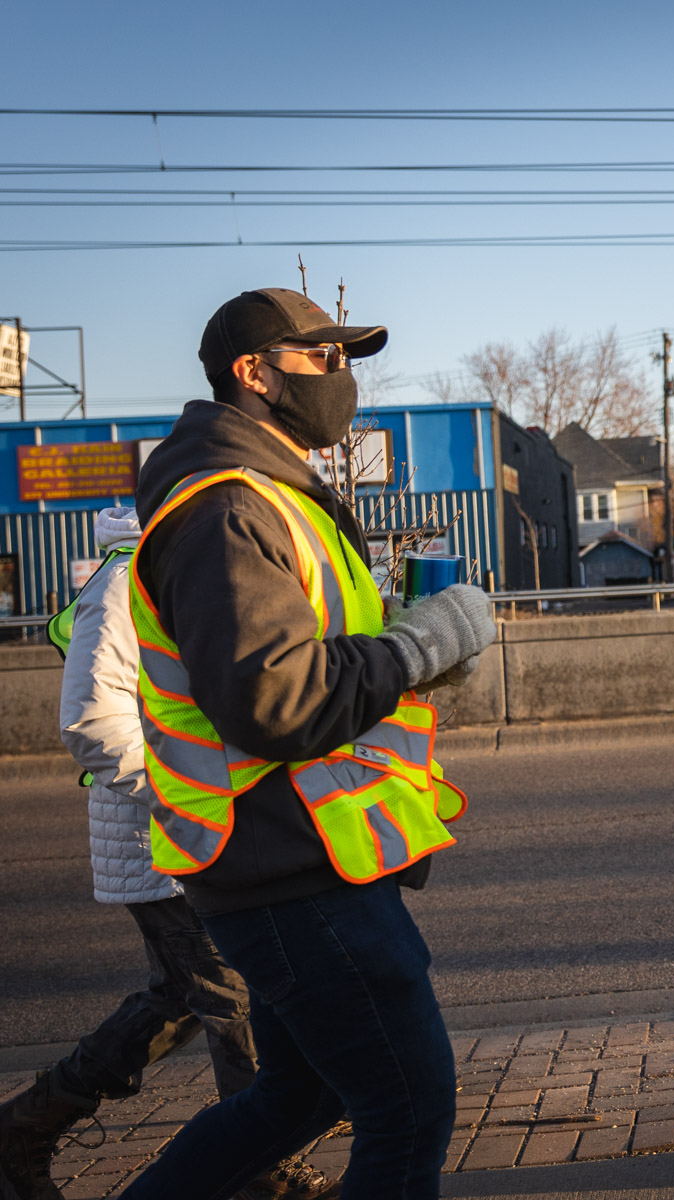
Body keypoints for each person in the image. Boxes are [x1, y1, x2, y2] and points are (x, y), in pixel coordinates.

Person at [117, 287, 496, 1200]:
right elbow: (274, 701)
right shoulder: (226, 511)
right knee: (408, 1110)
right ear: (253, 374)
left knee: (300, 1094)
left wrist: (400, 657)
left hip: (294, 856)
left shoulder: (269, 495)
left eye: (346, 358)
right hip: (290, 868)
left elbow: (309, 659)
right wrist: (415, 649)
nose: (343, 376)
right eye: (322, 357)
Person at [0, 508, 333, 1200]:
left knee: (180, 999)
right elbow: (90, 720)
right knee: (233, 996)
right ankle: (260, 1173)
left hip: (189, 835)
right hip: (160, 838)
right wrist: (193, 796)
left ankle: (24, 1130)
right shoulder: (126, 582)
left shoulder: (185, 572)